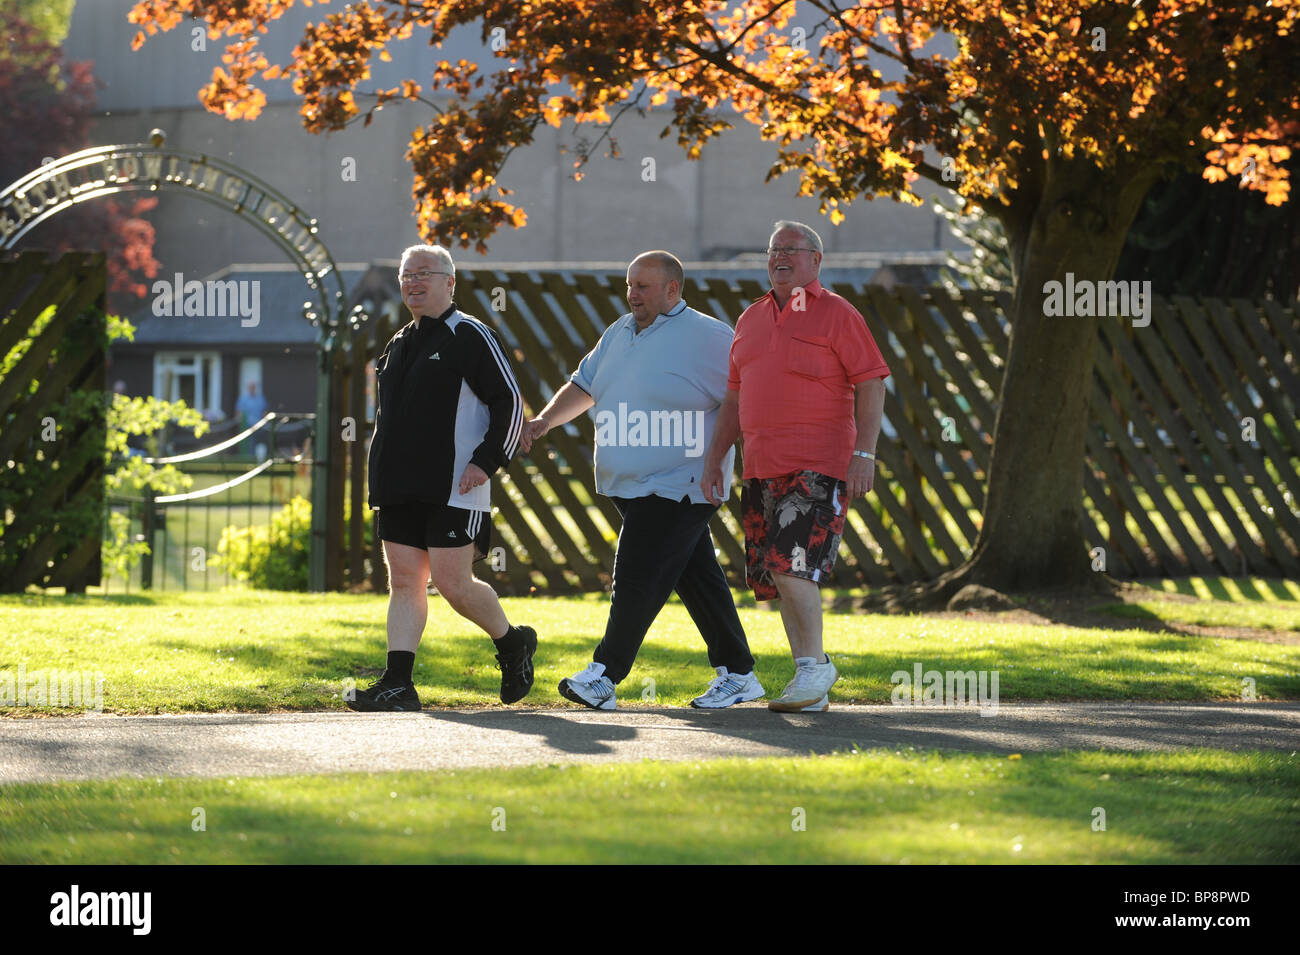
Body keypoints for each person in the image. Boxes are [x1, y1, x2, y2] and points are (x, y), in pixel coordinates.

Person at [519, 251, 762, 709]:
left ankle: (604, 676)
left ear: (673, 289)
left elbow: (741, 400)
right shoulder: (619, 332)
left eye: (643, 287)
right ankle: (739, 672)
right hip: (628, 485)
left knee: (635, 576)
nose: (632, 295)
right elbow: (584, 385)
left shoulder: (709, 337)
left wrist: (719, 460)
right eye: (630, 285)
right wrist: (544, 422)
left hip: (681, 482)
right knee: (697, 577)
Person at [702, 221, 890, 712]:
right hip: (760, 468)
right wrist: (715, 459)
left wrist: (864, 454)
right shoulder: (751, 319)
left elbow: (872, 383)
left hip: (818, 464)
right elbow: (734, 397)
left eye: (792, 249)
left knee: (793, 566)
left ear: (816, 260)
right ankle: (810, 684)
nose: (780, 256)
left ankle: (814, 668)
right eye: (773, 249)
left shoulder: (837, 314)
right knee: (779, 577)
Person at [348, 243, 535, 712]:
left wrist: (485, 463)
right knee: (405, 583)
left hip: (456, 485)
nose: (413, 282)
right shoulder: (396, 344)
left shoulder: (470, 334)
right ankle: (398, 683)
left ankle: (512, 644)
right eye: (406, 275)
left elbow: (510, 404)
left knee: (454, 586)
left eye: (424, 274)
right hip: (398, 488)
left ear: (450, 283)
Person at [235, 381, 268, 455]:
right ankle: (250, 458)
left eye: (253, 387)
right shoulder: (243, 399)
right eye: (251, 387)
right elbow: (239, 412)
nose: (252, 388)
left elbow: (264, 412)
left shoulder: (261, 398)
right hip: (248, 426)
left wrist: (264, 422)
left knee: (260, 443)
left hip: (260, 426)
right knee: (250, 444)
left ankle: (259, 458)